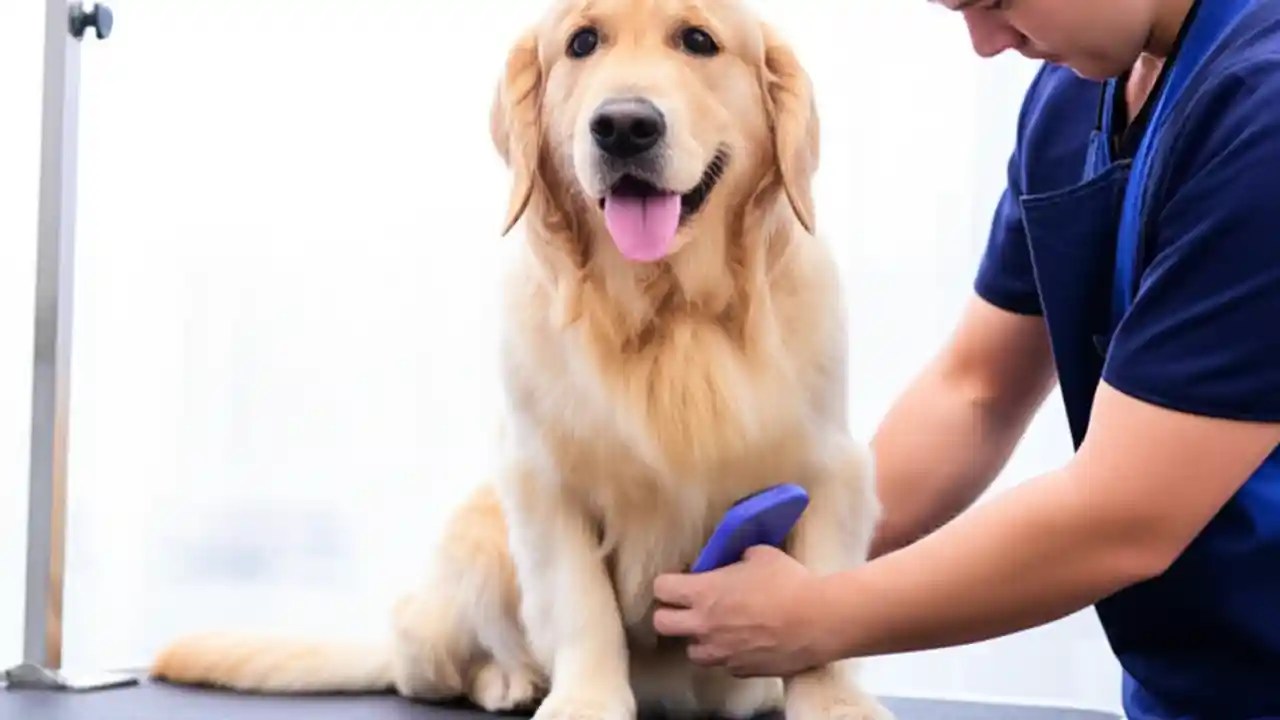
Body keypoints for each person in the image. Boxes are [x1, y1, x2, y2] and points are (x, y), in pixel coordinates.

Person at [650, 0, 1280, 717]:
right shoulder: (1072, 97)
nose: (985, 44)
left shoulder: (1265, 115)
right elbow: (975, 392)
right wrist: (802, 547)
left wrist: (818, 615)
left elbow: (1126, 515)